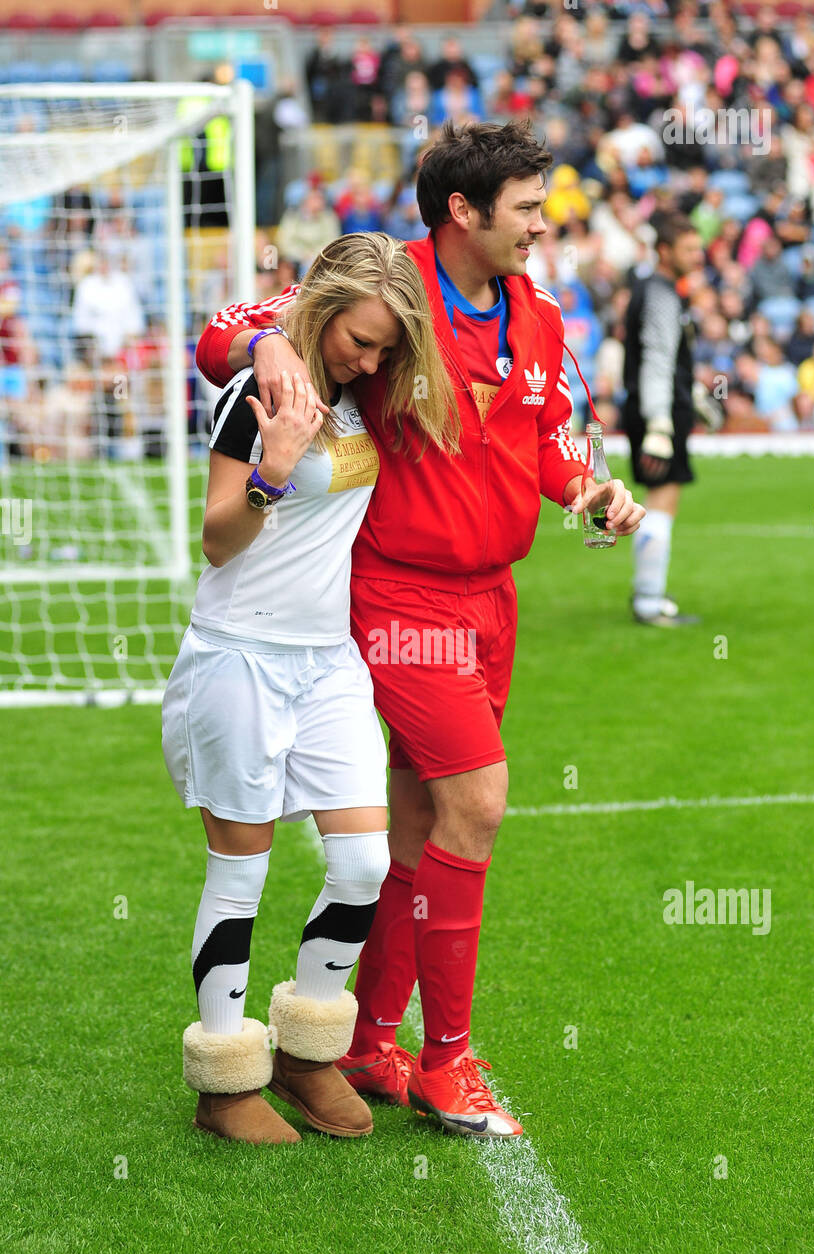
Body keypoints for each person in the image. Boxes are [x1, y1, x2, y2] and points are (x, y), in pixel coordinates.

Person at [196, 121, 645, 1140]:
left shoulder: (536, 312)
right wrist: (269, 339)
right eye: (526, 207)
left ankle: (361, 1040)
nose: (542, 223)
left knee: (412, 819)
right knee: (476, 805)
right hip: (402, 597)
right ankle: (447, 1061)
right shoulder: (389, 287)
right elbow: (221, 330)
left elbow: (551, 436)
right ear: (462, 212)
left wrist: (590, 491)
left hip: (494, 597)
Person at [164, 232, 458, 1146]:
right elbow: (214, 542)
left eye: (382, 349)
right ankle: (225, 1079)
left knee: (365, 863)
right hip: (238, 656)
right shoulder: (256, 400)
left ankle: (305, 1052)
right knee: (241, 870)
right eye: (357, 340)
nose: (367, 359)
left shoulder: (365, 396)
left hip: (329, 663)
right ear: (323, 309)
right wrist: (273, 475)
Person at [622, 211, 705, 627]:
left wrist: (699, 396)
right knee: (662, 501)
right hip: (660, 414)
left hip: (658, 408)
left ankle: (649, 595)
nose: (697, 255)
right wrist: (659, 423)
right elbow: (657, 360)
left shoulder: (660, 290)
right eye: (689, 248)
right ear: (665, 250)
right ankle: (650, 601)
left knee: (660, 499)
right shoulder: (661, 294)